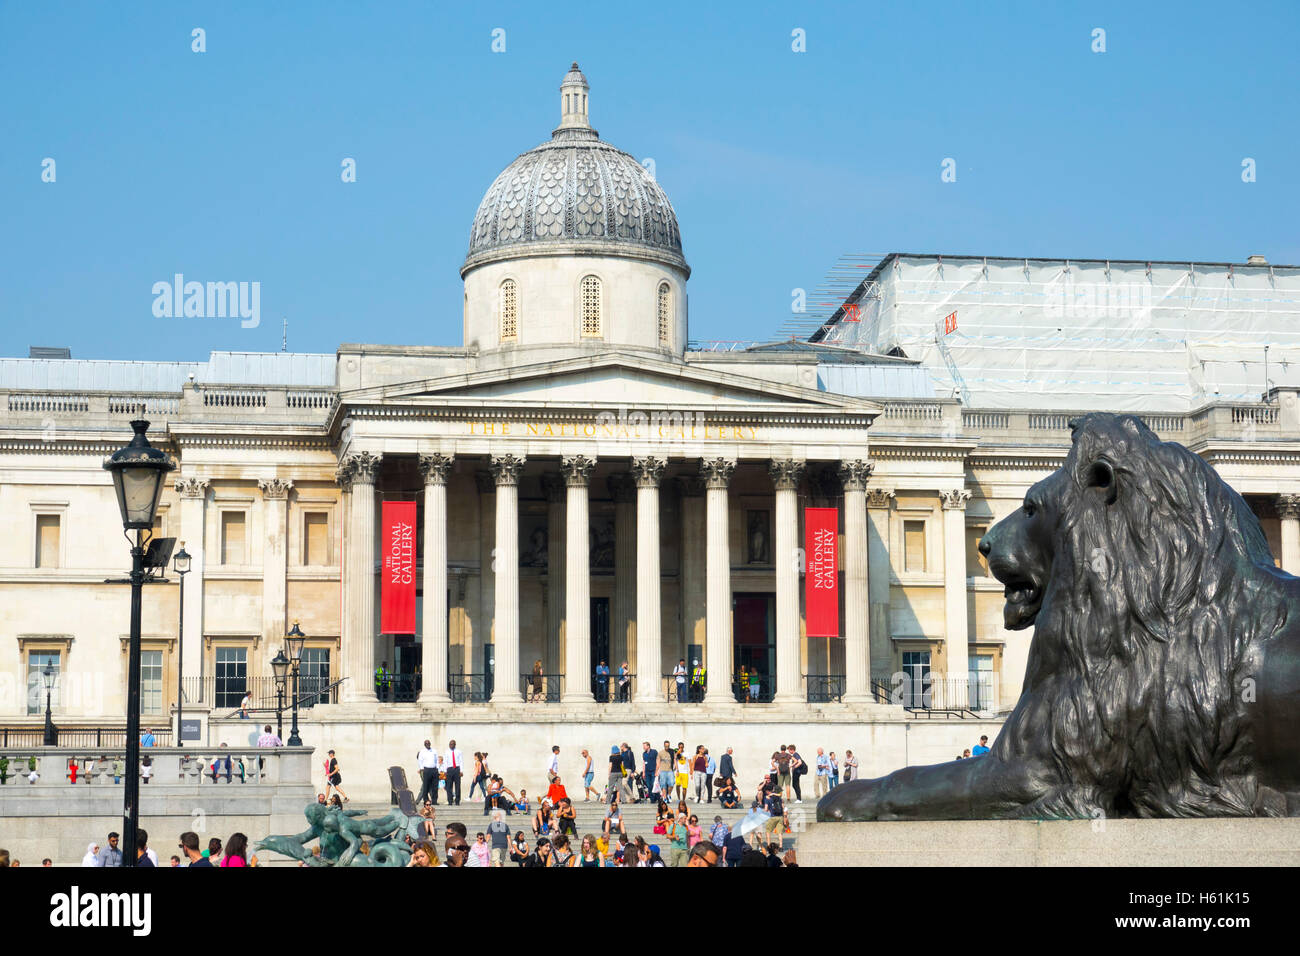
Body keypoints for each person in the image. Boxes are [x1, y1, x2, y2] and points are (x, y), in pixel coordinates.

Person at [416, 739, 440, 805]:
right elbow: (420, 760)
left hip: (434, 770)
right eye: (426, 743)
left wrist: (437, 768)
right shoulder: (422, 751)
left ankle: (434, 801)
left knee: (435, 787)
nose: (428, 744)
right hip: (426, 770)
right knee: (425, 786)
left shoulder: (434, 751)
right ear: (424, 745)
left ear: (430, 744)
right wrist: (421, 768)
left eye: (428, 743)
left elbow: (437, 760)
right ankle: (426, 800)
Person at [442, 739, 464, 805]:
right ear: (449, 745)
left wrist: (461, 771)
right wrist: (445, 771)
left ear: (455, 745)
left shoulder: (459, 751)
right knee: (449, 786)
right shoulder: (446, 752)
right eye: (450, 744)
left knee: (457, 786)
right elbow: (445, 761)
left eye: (453, 744)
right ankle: (450, 801)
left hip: (457, 769)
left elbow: (461, 761)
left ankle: (457, 801)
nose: (451, 745)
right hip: (449, 769)